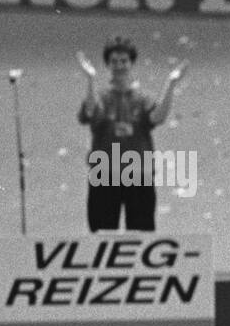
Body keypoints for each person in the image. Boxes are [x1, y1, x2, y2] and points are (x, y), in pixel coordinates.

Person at [77, 36, 185, 232]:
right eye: (114, 62)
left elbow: (158, 117)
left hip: (138, 175)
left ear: (131, 64)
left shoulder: (142, 99)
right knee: (102, 236)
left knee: (141, 236)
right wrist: (90, 79)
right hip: (104, 175)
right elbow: (91, 112)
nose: (119, 66)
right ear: (108, 65)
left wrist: (171, 84)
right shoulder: (100, 97)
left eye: (124, 61)